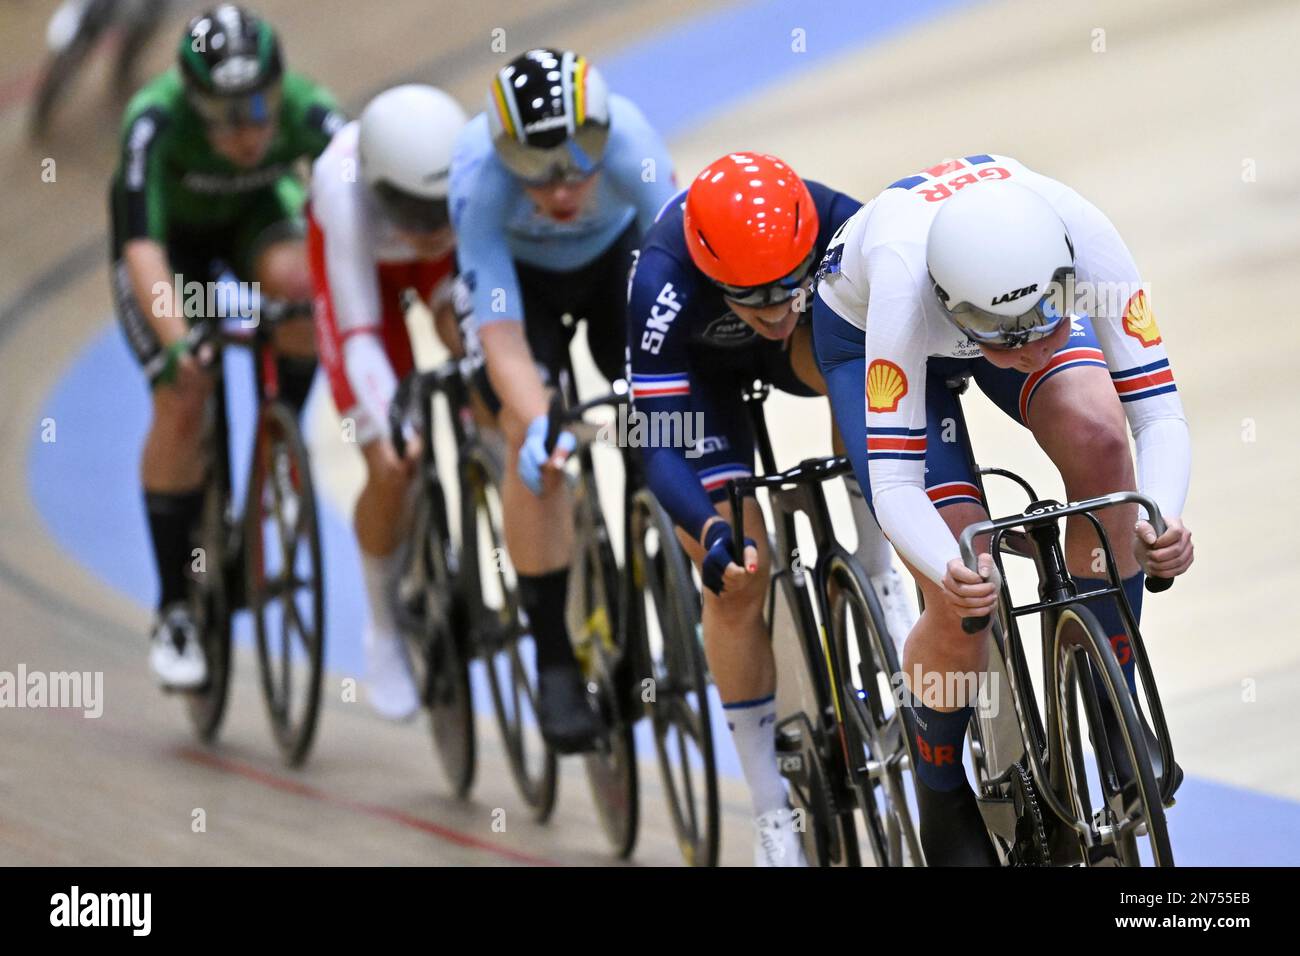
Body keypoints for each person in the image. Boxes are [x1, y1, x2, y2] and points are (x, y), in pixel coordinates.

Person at [813, 154, 1193, 865]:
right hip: (867, 334)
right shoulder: (902, 285)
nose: (1033, 348)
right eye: (1005, 335)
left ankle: (1110, 697)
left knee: (1100, 440)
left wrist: (1160, 519)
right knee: (964, 578)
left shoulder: (1084, 235)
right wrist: (947, 570)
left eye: (1050, 319)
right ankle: (940, 785)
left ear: (1066, 278)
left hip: (987, 304)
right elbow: (895, 487)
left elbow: (1156, 416)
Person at [626, 151, 915, 866]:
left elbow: (904, 338)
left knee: (868, 366)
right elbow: (656, 443)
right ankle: (769, 812)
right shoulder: (660, 278)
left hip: (808, 354)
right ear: (711, 275)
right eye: (758, 302)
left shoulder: (838, 219)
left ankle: (878, 568)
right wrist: (709, 529)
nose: (780, 311)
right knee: (739, 578)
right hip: (701, 388)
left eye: (791, 289)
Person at [110, 4, 344, 689]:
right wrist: (180, 344)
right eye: (225, 116)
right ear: (193, 103)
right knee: (184, 392)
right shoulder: (152, 122)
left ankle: (280, 442)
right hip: (169, 251)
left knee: (300, 292)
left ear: (279, 88)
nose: (246, 132)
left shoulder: (308, 108)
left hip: (253, 223)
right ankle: (175, 609)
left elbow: (363, 191)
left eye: (259, 109)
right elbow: (141, 249)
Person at [449, 48, 676, 752]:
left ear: (603, 136)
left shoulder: (634, 146)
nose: (562, 187)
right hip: (521, 286)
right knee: (534, 437)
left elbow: (680, 272)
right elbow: (502, 339)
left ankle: (660, 551)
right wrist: (540, 421)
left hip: (617, 261)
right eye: (537, 168)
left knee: (663, 408)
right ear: (505, 155)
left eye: (580, 160)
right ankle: (552, 657)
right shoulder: (478, 179)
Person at [308, 85, 468, 720]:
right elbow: (359, 337)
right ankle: (383, 629)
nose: (428, 227)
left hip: (439, 268)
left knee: (487, 367)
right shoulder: (340, 190)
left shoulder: (467, 174)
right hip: (362, 280)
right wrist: (392, 424)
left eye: (440, 208)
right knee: (392, 462)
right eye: (413, 210)